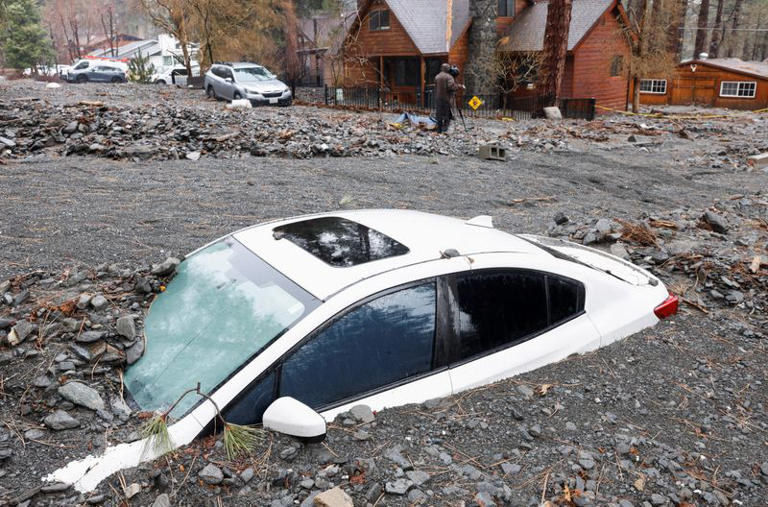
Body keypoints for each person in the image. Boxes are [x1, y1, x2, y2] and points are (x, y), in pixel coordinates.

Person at [434, 63, 461, 133]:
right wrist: (458, 86)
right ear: (447, 69)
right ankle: (445, 128)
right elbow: (451, 87)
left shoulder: (437, 76)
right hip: (447, 98)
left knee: (439, 113)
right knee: (447, 113)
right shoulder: (449, 77)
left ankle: (439, 129)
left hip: (438, 97)